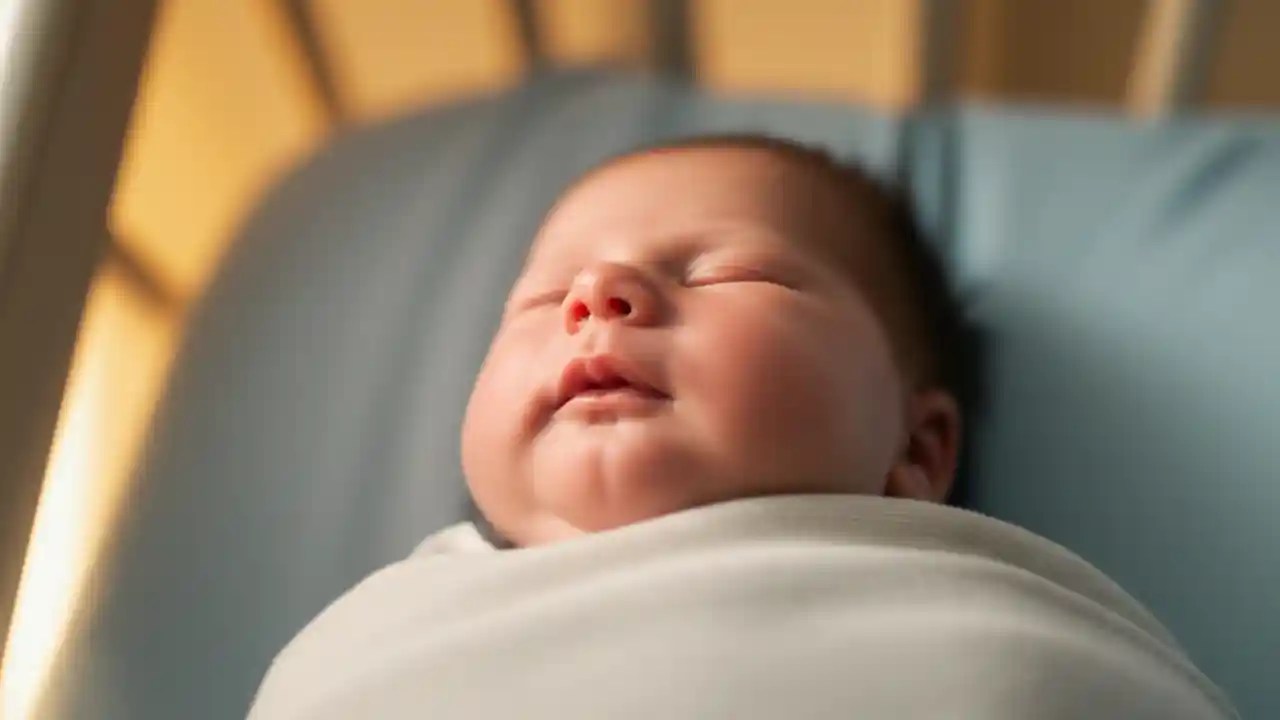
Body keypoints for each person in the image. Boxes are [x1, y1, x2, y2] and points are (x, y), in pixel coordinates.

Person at [247, 136, 1236, 719]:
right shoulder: (400, 617)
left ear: (918, 447)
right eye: (540, 299)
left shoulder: (999, 606)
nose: (596, 294)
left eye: (724, 271)